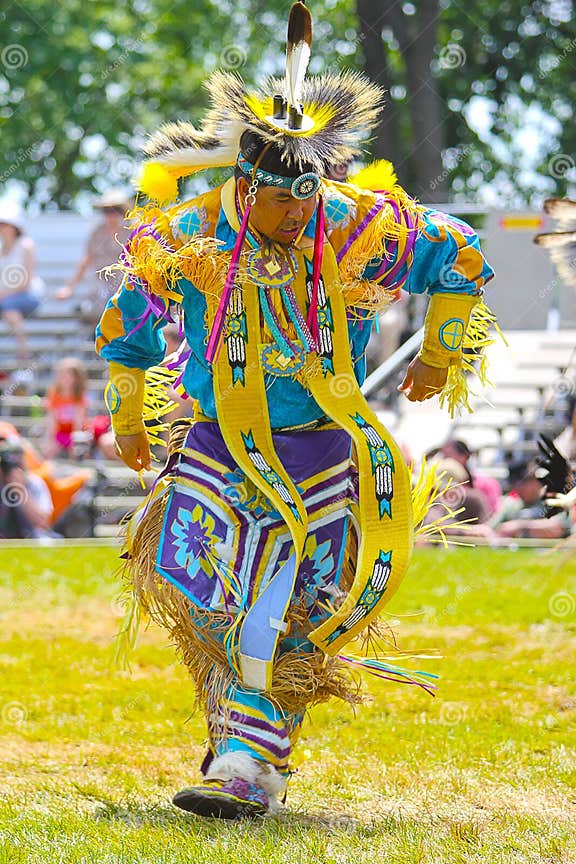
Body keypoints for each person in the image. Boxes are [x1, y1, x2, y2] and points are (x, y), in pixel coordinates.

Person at [96, 2, 495, 818]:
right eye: (280, 203)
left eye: (308, 199)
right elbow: (126, 320)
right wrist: (130, 414)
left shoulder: (356, 224)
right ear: (246, 184)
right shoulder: (190, 233)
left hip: (322, 460)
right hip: (214, 454)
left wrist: (439, 350)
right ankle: (237, 744)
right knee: (210, 608)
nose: (296, 216)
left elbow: (458, 251)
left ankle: (246, 767)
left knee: (290, 613)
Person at [58, 189, 131, 329]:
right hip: (101, 285)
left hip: (125, 283)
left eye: (115, 210)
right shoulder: (96, 232)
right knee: (94, 307)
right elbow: (86, 260)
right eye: (106, 211)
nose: (111, 215)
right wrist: (69, 288)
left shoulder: (130, 232)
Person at [0, 204, 43, 362]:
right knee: (8, 306)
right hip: (7, 297)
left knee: (8, 308)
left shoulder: (26, 246)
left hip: (29, 295)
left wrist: (3, 296)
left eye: (4, 225)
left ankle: (24, 353)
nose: (1, 228)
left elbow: (26, 282)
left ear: (14, 227)